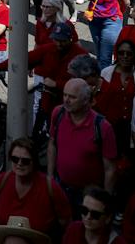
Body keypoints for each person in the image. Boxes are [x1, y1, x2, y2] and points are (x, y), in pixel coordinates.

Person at [0, 138, 71, 244]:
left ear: (34, 162)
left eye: (25, 161)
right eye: (15, 159)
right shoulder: (1, 181)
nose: (19, 164)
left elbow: (67, 225)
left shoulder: (50, 187)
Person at [47, 78, 117, 207]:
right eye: (65, 95)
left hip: (89, 194)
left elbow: (110, 169)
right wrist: (50, 176)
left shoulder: (103, 127)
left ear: (86, 100)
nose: (66, 100)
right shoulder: (58, 114)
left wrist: (106, 200)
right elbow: (52, 144)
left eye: (72, 97)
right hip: (61, 187)